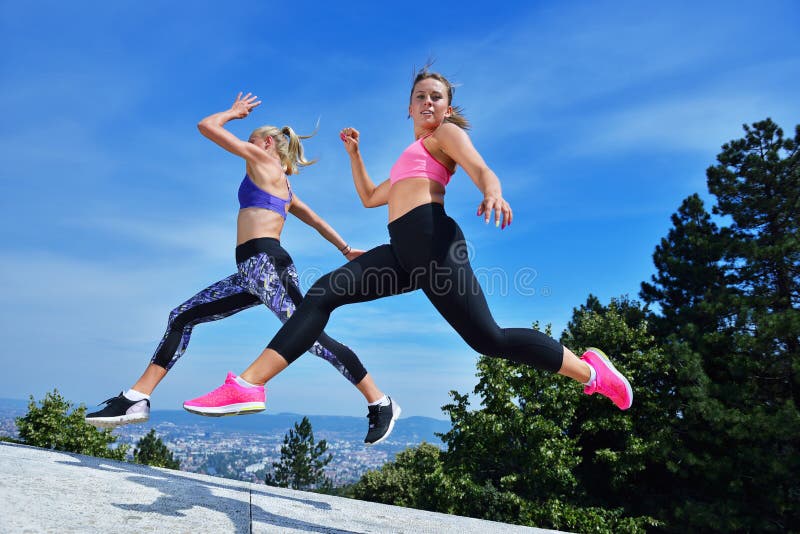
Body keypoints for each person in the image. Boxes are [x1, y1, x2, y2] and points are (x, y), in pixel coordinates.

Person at [189, 67, 633, 425]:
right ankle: (248, 384)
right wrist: (355, 156)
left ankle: (592, 371)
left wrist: (491, 190)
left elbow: (480, 167)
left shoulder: (446, 135)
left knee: (489, 339)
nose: (428, 103)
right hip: (402, 253)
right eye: (420, 96)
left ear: (447, 107)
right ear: (408, 108)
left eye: (435, 97)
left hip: (435, 242)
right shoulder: (409, 156)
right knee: (323, 293)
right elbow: (369, 198)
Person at [86, 93, 400, 445]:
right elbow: (315, 220)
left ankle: (380, 401)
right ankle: (136, 398)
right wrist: (344, 248)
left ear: (266, 144)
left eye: (250, 141)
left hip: (267, 267)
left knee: (311, 338)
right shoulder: (285, 186)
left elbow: (207, 126)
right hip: (251, 273)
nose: (245, 148)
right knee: (182, 316)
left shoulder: (261, 161)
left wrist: (233, 114)